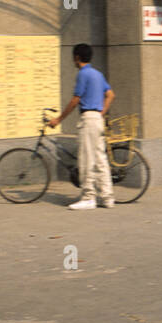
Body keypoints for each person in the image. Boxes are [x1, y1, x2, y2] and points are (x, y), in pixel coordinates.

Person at [49, 43, 115, 209]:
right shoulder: (98, 74)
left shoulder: (83, 74)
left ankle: (88, 197)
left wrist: (59, 119)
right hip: (98, 119)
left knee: (86, 159)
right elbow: (110, 95)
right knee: (100, 159)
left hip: (88, 119)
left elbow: (75, 99)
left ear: (77, 57)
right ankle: (107, 198)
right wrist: (102, 112)